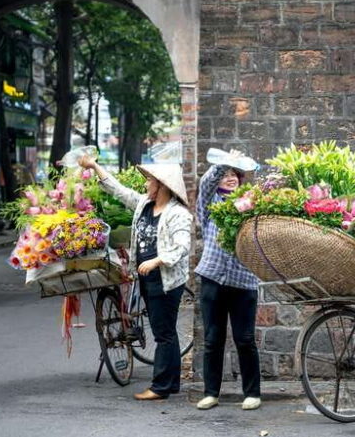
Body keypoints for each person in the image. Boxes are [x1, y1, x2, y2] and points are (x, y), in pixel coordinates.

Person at [80, 154, 192, 401]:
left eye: (149, 180)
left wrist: (157, 260)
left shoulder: (178, 214)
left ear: (161, 185)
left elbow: (182, 245)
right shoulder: (144, 205)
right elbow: (119, 191)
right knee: (167, 332)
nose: (145, 185)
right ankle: (171, 383)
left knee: (163, 333)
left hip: (165, 279)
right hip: (147, 278)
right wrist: (95, 166)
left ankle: (160, 387)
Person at [195, 151, 262, 411]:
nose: (230, 177)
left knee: (245, 338)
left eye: (234, 174)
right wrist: (223, 162)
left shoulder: (251, 203)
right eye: (225, 174)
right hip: (212, 277)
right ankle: (211, 392)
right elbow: (206, 183)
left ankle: (252, 393)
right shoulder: (210, 204)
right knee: (213, 338)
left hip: (244, 280)